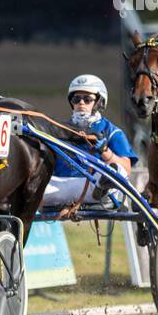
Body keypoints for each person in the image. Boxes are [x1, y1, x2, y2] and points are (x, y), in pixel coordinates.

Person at [42, 74, 137, 218]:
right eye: (76, 99)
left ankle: (101, 186)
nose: (81, 103)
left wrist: (105, 152)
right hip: (57, 188)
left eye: (87, 99)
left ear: (99, 102)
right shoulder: (58, 129)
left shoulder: (112, 132)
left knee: (118, 170)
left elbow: (127, 168)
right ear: (71, 102)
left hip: (94, 188)